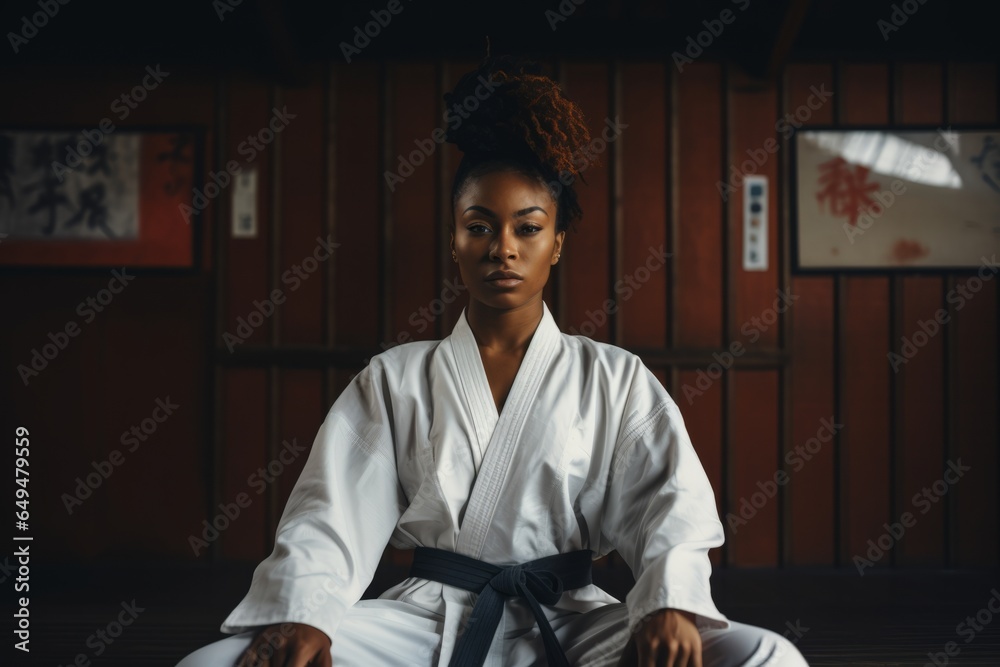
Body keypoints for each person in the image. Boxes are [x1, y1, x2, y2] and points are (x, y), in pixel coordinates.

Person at [176, 56, 808, 667]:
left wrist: (667, 605)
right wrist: (303, 613)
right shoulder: (397, 378)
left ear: (557, 242)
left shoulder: (614, 379)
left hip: (572, 619)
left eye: (527, 228)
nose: (502, 248)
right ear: (454, 239)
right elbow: (330, 514)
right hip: (425, 622)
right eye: (479, 226)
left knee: (767, 656)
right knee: (217, 663)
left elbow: (670, 507)